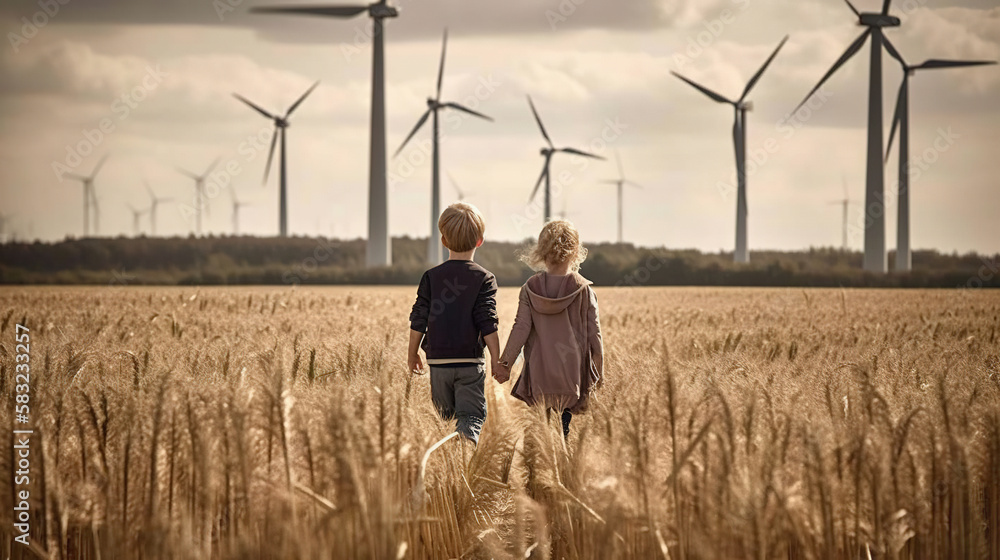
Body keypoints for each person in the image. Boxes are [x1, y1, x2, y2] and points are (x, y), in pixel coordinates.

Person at [493, 219, 603, 438]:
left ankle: (538, 468)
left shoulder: (529, 289)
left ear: (541, 252)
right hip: (571, 375)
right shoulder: (584, 291)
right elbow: (595, 335)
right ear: (575, 253)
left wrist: (504, 364)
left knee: (539, 434)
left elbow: (521, 328)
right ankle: (561, 468)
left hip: (539, 375)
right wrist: (598, 373)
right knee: (563, 432)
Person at [407, 203, 501, 445]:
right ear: (480, 241)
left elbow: (419, 317)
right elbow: (487, 320)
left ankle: (447, 469)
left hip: (438, 362)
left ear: (443, 240)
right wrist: (497, 359)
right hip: (469, 361)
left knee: (444, 422)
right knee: (470, 417)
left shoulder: (431, 277)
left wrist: (412, 353)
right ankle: (464, 458)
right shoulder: (484, 278)